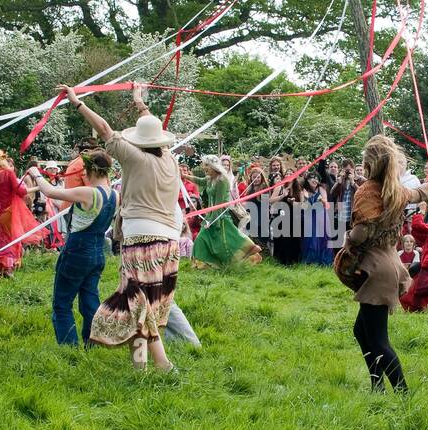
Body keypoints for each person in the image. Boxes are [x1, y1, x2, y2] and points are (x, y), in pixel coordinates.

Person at [67, 84, 181, 372]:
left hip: (141, 238)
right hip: (168, 240)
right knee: (147, 304)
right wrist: (139, 102)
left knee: (136, 300)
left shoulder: (135, 158)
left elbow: (104, 128)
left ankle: (163, 364)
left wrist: (76, 102)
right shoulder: (170, 159)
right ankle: (139, 366)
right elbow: (151, 129)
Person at [333, 135, 428, 392]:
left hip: (375, 268)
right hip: (390, 262)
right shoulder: (395, 189)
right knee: (362, 331)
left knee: (379, 340)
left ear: (369, 163)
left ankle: (403, 395)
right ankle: (377, 386)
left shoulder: (368, 190)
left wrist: (349, 241)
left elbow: (362, 232)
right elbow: (420, 193)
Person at [28, 149, 118, 346]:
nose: (82, 173)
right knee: (89, 300)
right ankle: (92, 343)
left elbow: (50, 192)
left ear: (91, 170)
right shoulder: (114, 195)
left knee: (62, 303)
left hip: (77, 251)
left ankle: (69, 347)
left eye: (84, 169)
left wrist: (36, 173)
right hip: (98, 253)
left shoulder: (88, 192)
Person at [0, 149, 41, 279]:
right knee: (9, 240)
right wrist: (39, 187)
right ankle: (7, 269)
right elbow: (21, 192)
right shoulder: (8, 173)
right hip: (8, 211)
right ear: (2, 158)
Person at [193, 155, 262, 267]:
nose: (203, 167)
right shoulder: (210, 178)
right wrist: (183, 176)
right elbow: (199, 181)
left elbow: (219, 205)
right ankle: (203, 265)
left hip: (220, 217)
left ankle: (249, 254)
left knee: (229, 242)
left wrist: (211, 221)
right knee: (202, 239)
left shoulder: (221, 180)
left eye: (206, 165)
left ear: (212, 166)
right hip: (210, 216)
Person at [300, 172, 333, 266]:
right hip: (310, 216)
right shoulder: (303, 191)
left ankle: (324, 262)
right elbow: (303, 207)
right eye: (312, 178)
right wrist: (306, 199)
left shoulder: (321, 189)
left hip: (321, 215)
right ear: (307, 180)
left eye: (317, 178)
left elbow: (326, 204)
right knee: (311, 238)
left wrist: (318, 197)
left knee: (323, 238)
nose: (315, 180)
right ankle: (311, 261)